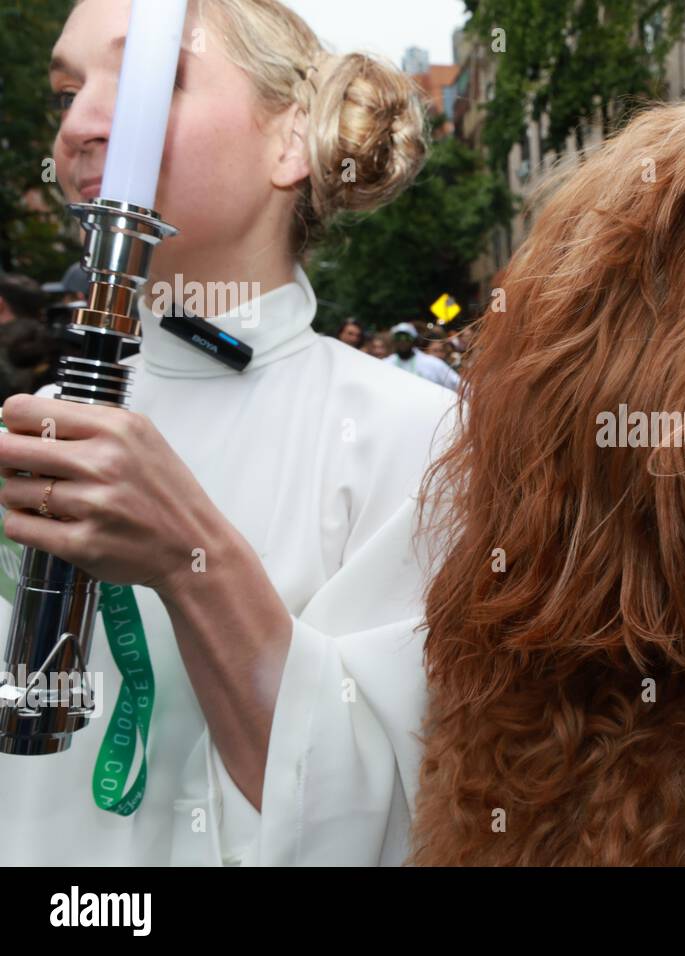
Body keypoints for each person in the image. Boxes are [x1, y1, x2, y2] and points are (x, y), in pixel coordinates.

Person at [0, 0, 454, 865]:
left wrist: (191, 559)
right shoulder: (37, 421)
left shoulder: (421, 439)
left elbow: (402, 817)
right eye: (66, 92)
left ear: (292, 140)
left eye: (146, 81)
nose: (83, 126)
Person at [384, 321, 459, 392]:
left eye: (406, 337)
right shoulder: (386, 364)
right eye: (398, 338)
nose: (402, 341)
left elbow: (457, 383)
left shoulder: (432, 363)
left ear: (413, 340)